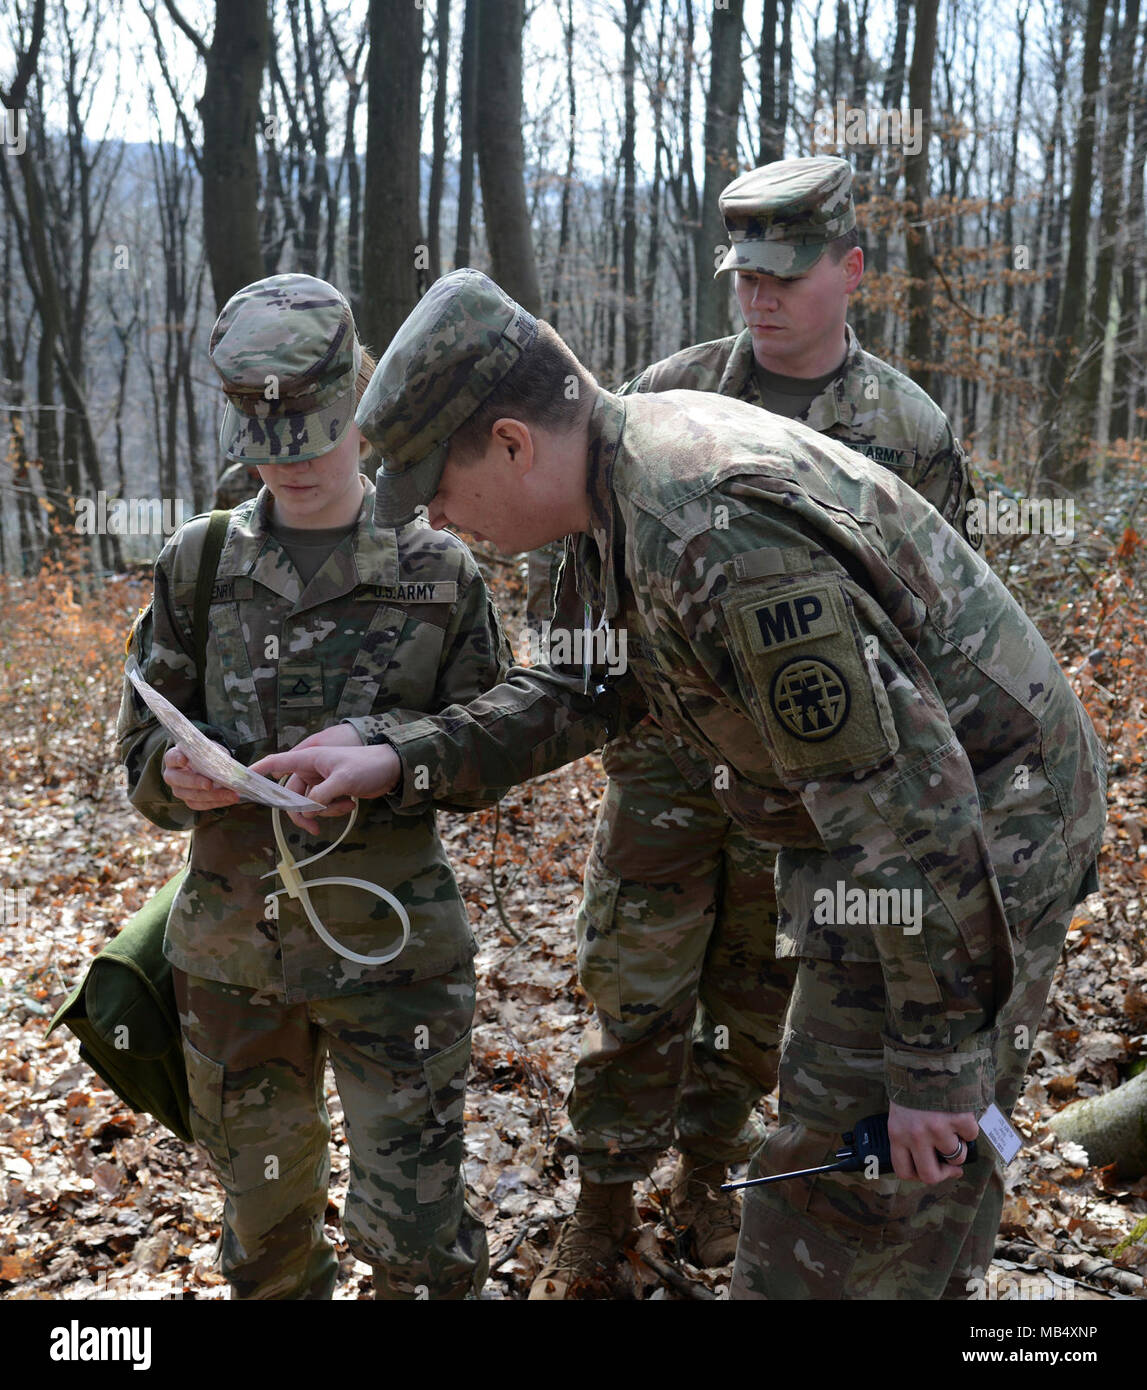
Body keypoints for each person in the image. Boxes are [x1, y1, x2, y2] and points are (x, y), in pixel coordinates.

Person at [254, 267, 1105, 1300]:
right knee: (866, 1147)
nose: (439, 515)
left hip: (981, 835)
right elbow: (578, 686)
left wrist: (933, 1063)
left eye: (438, 488)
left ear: (513, 444)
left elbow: (909, 797)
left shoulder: (707, 526)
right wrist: (396, 752)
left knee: (864, 1191)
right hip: (884, 836)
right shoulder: (610, 490)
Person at [520, 156, 983, 1295]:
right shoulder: (672, 393)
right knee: (634, 991)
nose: (761, 295)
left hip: (821, 791)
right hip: (671, 768)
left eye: (787, 272)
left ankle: (708, 1182)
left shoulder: (906, 431)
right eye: (744, 275)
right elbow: (584, 589)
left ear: (851, 270)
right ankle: (602, 1204)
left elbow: (937, 626)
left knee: (756, 995)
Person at [116, 273, 512, 1300]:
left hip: (396, 959)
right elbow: (135, 755)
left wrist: (388, 756)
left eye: (314, 439)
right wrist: (174, 774)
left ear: (358, 404)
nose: (287, 466)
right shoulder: (198, 564)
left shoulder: (439, 572)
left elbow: (495, 747)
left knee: (419, 1241)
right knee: (267, 1243)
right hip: (234, 967)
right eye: (264, 445)